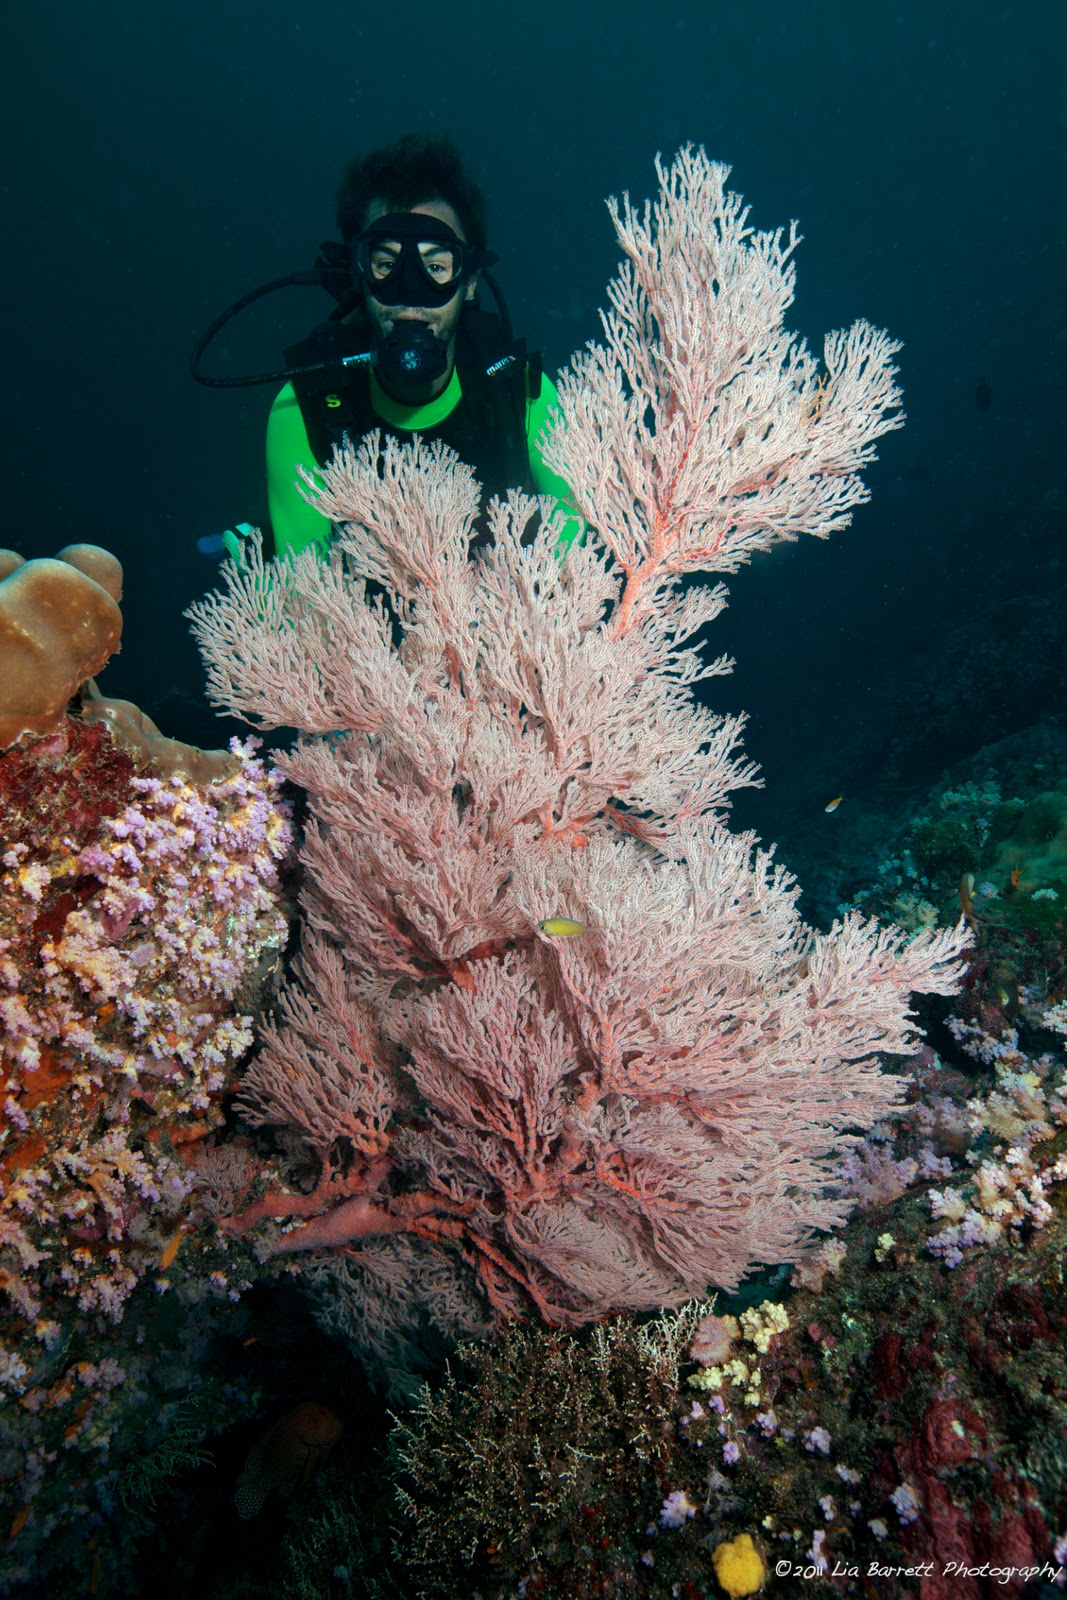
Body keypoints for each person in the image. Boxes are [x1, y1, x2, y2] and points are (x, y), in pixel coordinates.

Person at [266, 134, 583, 560]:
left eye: (435, 266)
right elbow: (301, 591)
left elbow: (576, 559)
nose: (409, 294)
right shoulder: (303, 407)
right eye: (385, 264)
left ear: (469, 280)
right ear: (357, 274)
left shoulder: (524, 394)